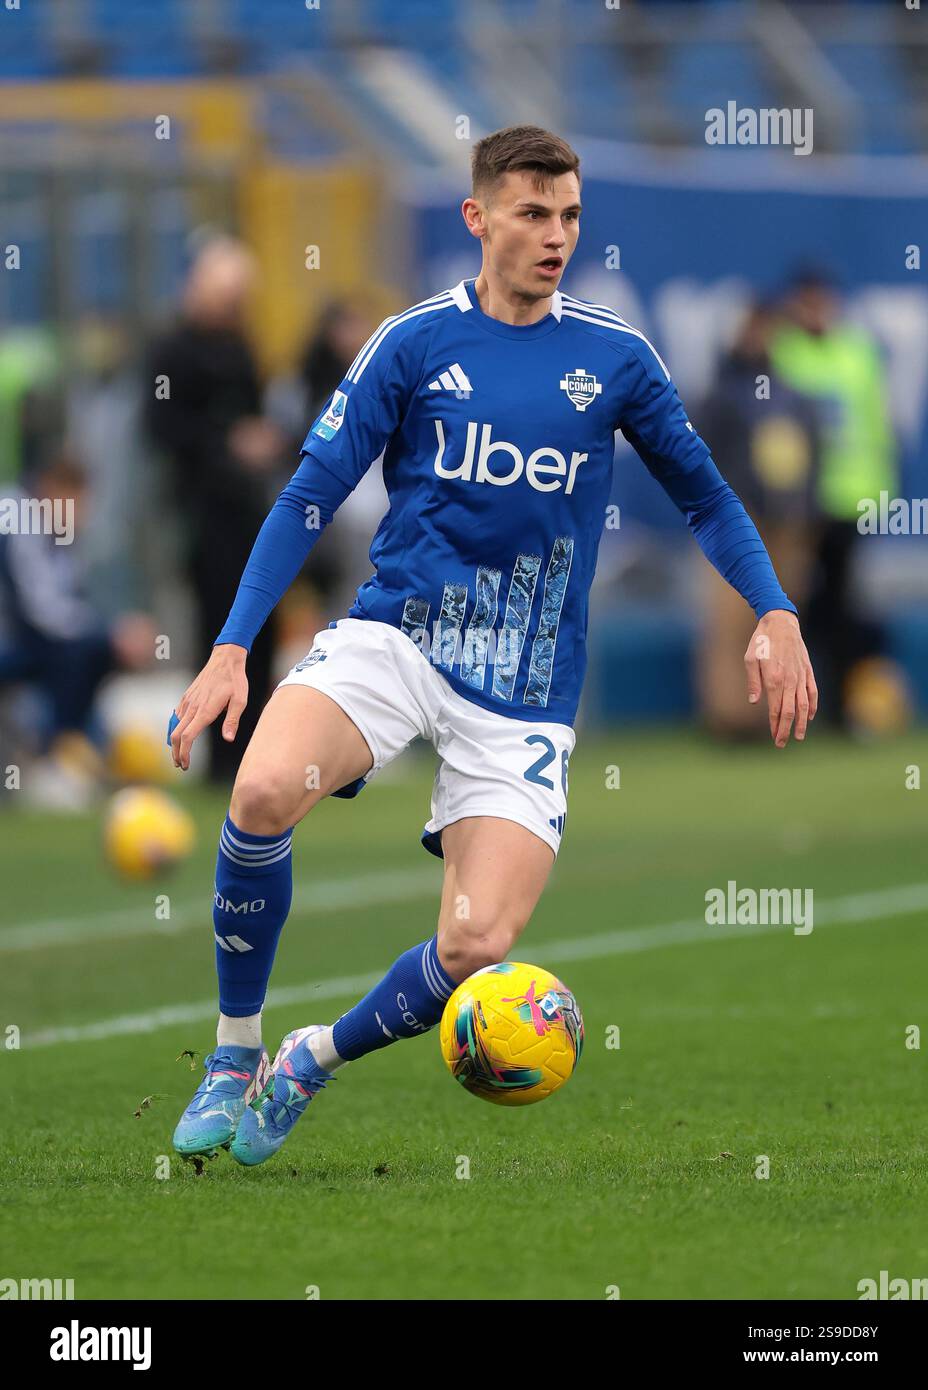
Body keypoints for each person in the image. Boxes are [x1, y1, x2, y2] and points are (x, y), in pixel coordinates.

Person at [169, 126, 817, 1167]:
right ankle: (234, 1051)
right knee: (256, 794)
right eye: (531, 214)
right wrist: (231, 646)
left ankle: (311, 1056)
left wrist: (775, 612)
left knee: (476, 946)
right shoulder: (414, 342)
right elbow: (307, 494)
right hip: (398, 638)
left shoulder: (616, 359)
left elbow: (706, 496)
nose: (555, 235)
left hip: (521, 688)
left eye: (567, 216)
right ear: (477, 218)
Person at [146, 236, 284, 781]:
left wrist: (261, 440)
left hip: (247, 508)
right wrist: (229, 442)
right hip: (203, 515)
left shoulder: (240, 346)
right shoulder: (172, 352)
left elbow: (256, 415)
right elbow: (163, 429)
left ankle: (255, 748)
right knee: (216, 630)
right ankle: (217, 757)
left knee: (260, 627)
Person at [770, 269, 895, 725]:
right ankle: (811, 704)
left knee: (841, 603)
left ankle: (844, 704)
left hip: (852, 498)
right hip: (801, 503)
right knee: (802, 603)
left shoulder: (857, 351)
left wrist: (881, 491)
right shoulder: (783, 352)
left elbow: (876, 424)